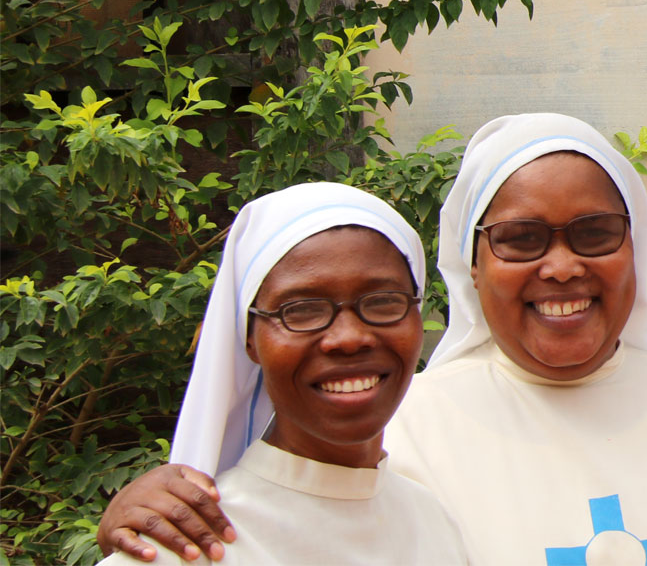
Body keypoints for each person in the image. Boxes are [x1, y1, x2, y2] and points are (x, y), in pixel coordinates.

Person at [100, 114, 647, 565]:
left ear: (633, 249)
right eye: (519, 239)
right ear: (470, 263)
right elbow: (292, 515)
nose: (561, 267)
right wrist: (147, 515)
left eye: (595, 233)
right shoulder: (394, 422)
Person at [100, 183, 467, 564]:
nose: (349, 337)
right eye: (302, 309)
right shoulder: (183, 550)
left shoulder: (434, 523)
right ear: (248, 338)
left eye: (383, 301)